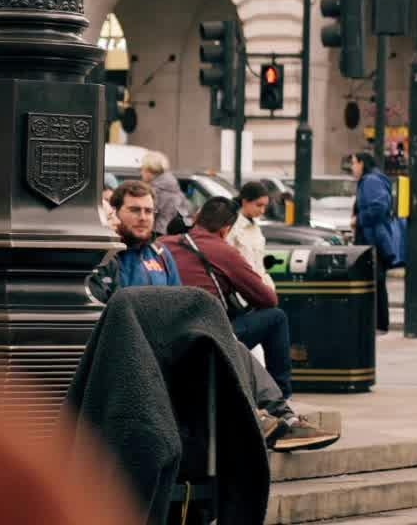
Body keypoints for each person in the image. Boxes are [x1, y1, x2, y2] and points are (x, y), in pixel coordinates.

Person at [90, 181, 336, 452]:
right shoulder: (110, 257)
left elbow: (178, 301)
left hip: (172, 338)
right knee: (235, 335)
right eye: (134, 210)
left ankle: (285, 418)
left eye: (148, 211)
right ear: (115, 212)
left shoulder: (160, 253)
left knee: (231, 344)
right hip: (139, 347)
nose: (143, 217)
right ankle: (255, 418)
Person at [166, 196, 294, 406]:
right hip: (210, 338)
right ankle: (281, 398)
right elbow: (268, 299)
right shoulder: (223, 251)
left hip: (170, 335)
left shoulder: (164, 244)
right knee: (276, 318)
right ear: (226, 230)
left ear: (197, 218)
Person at [349, 152, 403, 334]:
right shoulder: (371, 180)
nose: (352, 167)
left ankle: (378, 324)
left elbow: (379, 207)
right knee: (376, 282)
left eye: (354, 163)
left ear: (362, 163)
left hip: (373, 240)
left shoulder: (371, 181)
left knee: (374, 283)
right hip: (373, 239)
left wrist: (359, 219)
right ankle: (378, 324)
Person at [226, 180, 275, 292]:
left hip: (257, 289)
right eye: (259, 205)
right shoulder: (231, 227)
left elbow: (259, 266)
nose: (262, 210)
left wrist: (270, 289)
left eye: (265, 206)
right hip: (241, 292)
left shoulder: (255, 228)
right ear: (245, 202)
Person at [139, 150, 188, 236]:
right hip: (173, 235)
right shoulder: (175, 189)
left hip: (155, 234)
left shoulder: (153, 190)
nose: (141, 173)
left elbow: (146, 215)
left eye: (142, 169)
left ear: (150, 170)